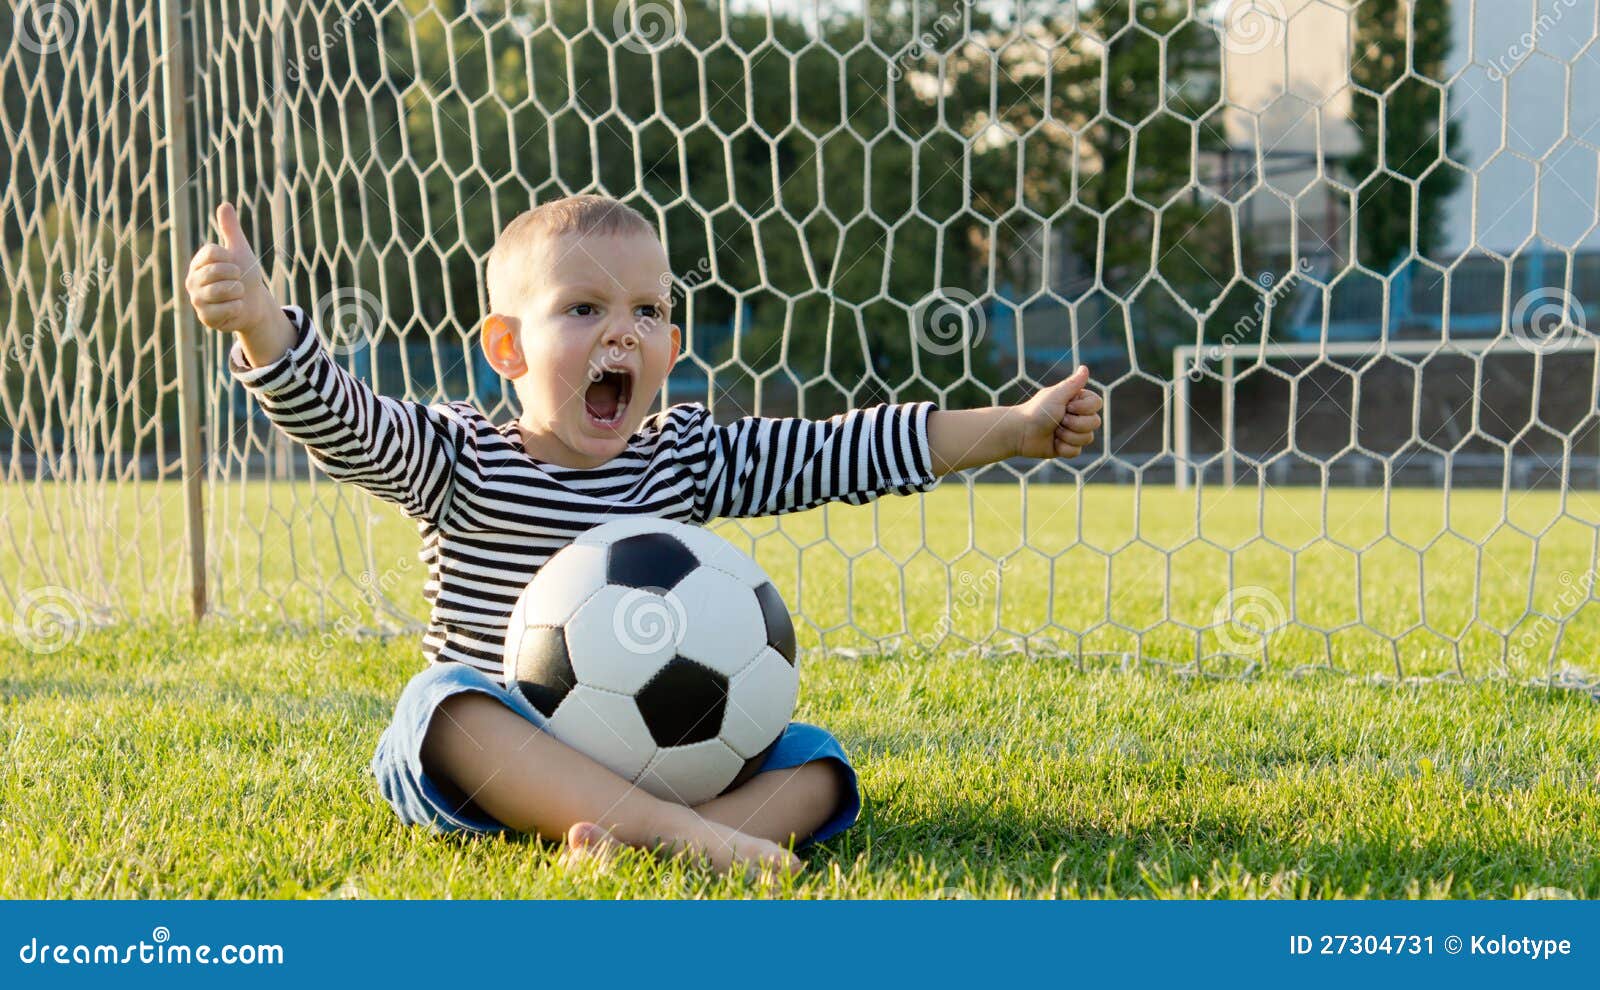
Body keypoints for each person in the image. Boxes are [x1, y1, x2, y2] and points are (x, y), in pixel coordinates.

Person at [185, 195, 1103, 878]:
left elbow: (839, 451)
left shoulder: (680, 457)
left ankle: (656, 828)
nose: (621, 332)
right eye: (584, 310)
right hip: (509, 766)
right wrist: (267, 331)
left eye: (648, 313)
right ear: (506, 349)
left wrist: (1012, 430)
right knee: (436, 707)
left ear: (669, 347)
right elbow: (349, 422)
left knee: (819, 762)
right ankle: (693, 841)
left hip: (673, 760)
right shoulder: (458, 456)